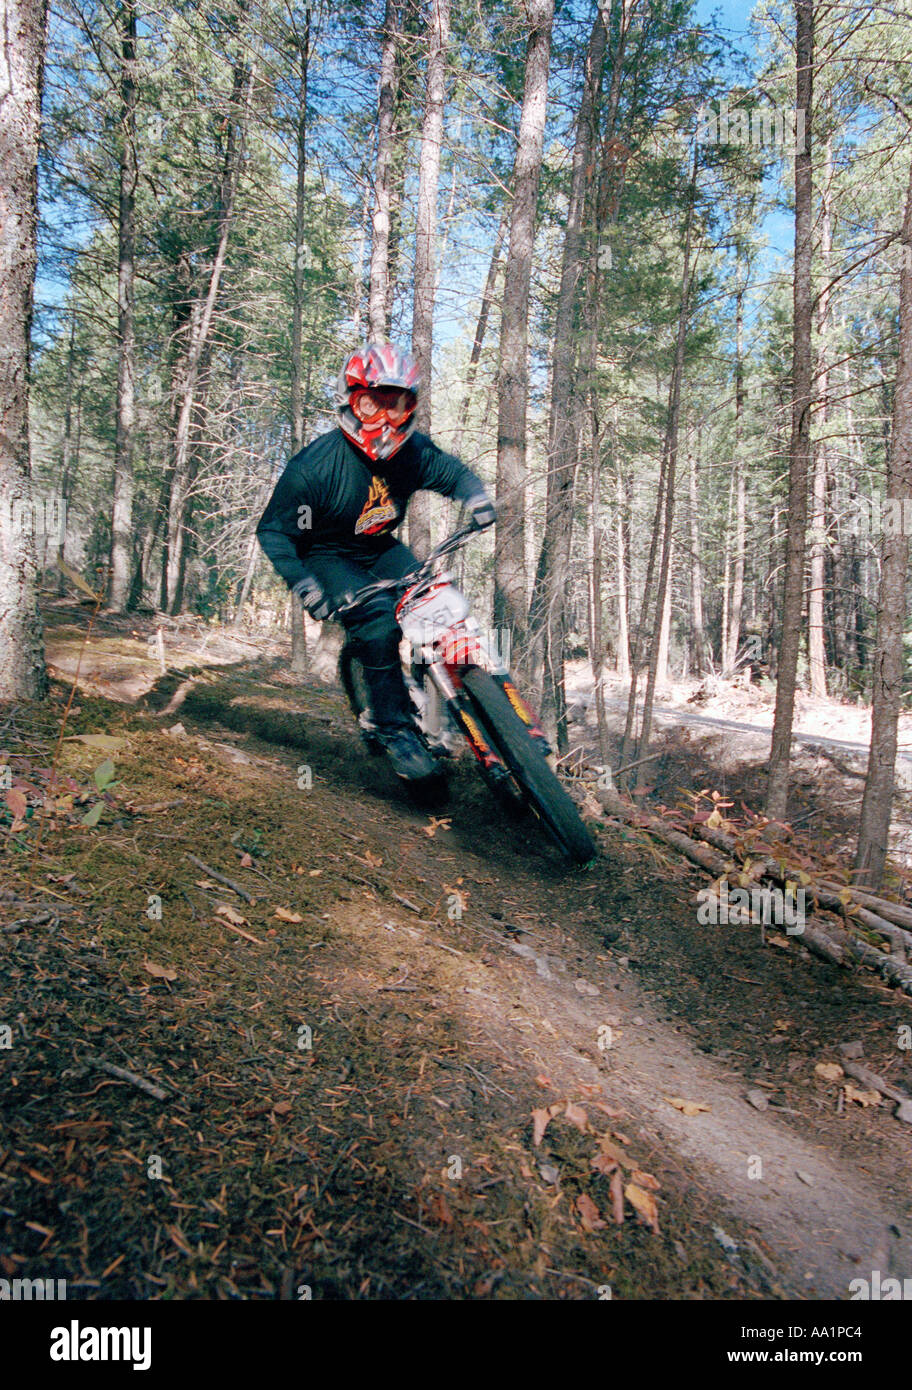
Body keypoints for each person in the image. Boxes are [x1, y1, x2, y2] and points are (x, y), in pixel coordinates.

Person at [256, 342, 496, 781]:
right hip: (327, 555)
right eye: (372, 405)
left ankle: (494, 709)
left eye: (397, 405)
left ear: (411, 408)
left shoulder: (412, 453)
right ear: (352, 401)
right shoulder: (313, 467)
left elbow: (452, 473)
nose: (385, 419)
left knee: (440, 606)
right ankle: (394, 728)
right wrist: (304, 584)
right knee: (378, 623)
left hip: (381, 546)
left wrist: (475, 497)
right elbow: (275, 531)